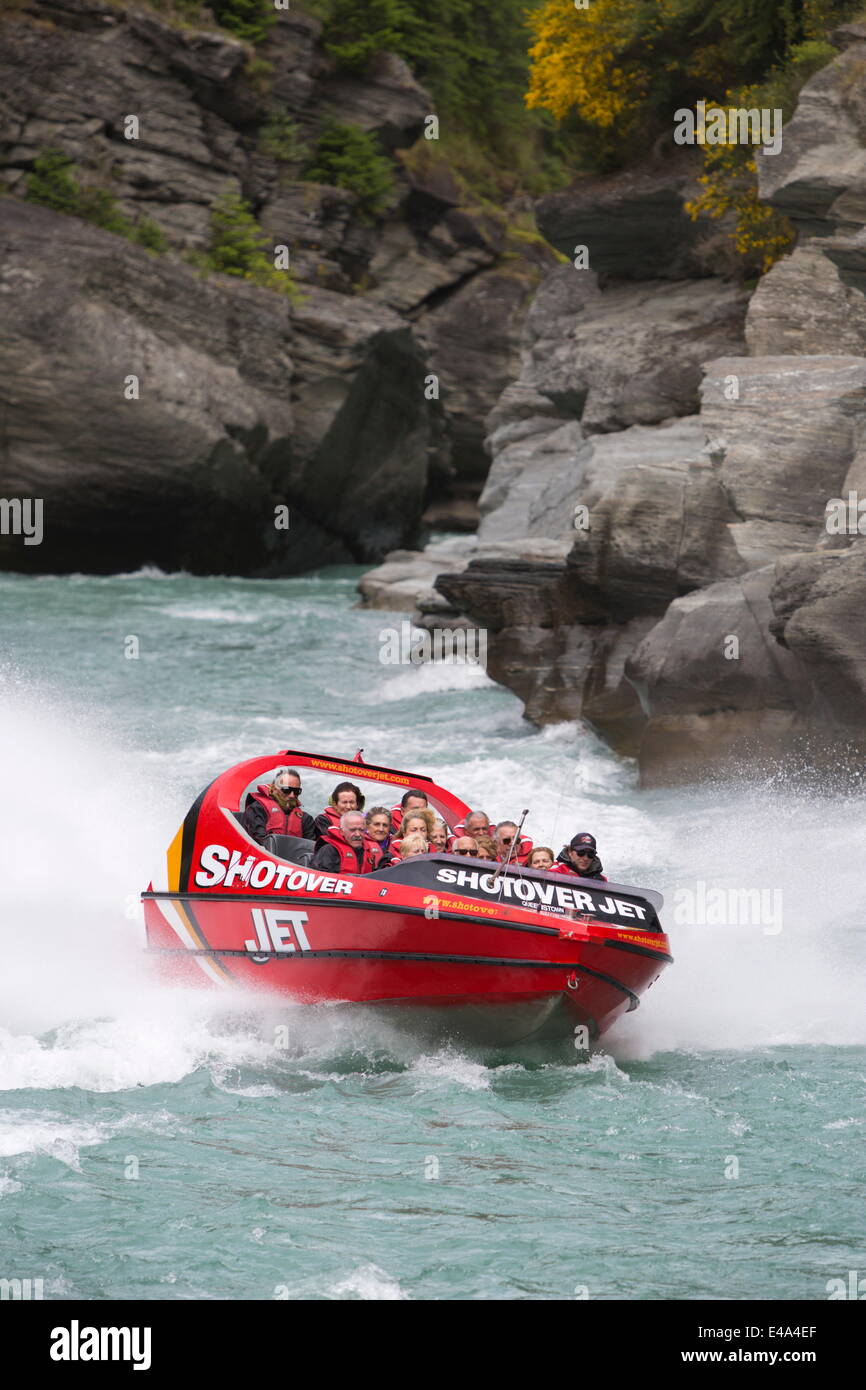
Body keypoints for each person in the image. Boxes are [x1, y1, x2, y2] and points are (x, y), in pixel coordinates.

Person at [243, 767, 316, 845]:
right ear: (274, 789)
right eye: (286, 790)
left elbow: (310, 848)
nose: (292, 795)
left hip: (293, 856)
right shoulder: (257, 809)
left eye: (296, 791)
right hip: (263, 854)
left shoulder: (306, 819)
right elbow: (257, 840)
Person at [312, 810, 381, 874]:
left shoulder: (369, 852)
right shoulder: (328, 850)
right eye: (352, 830)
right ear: (342, 832)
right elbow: (319, 878)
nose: (357, 834)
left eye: (361, 830)